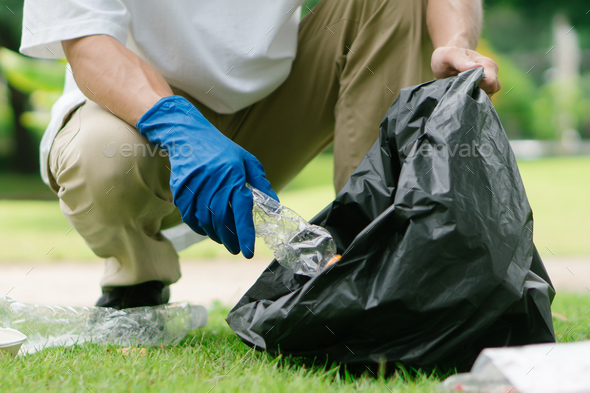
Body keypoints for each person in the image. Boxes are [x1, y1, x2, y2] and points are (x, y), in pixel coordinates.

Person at [20, 0, 500, 309]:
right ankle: (137, 278)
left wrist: (454, 43)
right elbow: (87, 42)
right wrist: (178, 125)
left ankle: (367, 260)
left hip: (272, 105)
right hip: (136, 113)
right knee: (100, 157)